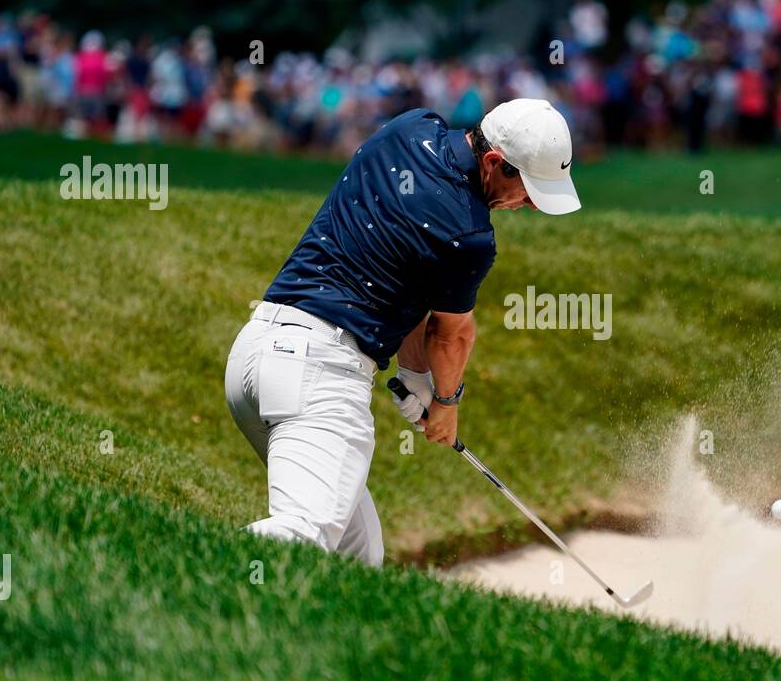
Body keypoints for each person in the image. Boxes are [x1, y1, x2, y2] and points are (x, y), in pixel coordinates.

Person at [224, 99, 581, 565]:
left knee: (356, 556)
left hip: (256, 354)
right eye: (529, 190)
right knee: (305, 533)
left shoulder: (412, 126)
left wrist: (416, 378)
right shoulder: (470, 237)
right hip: (319, 373)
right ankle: (173, 568)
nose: (530, 205)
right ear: (494, 162)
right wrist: (447, 405)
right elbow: (450, 335)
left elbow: (407, 269)